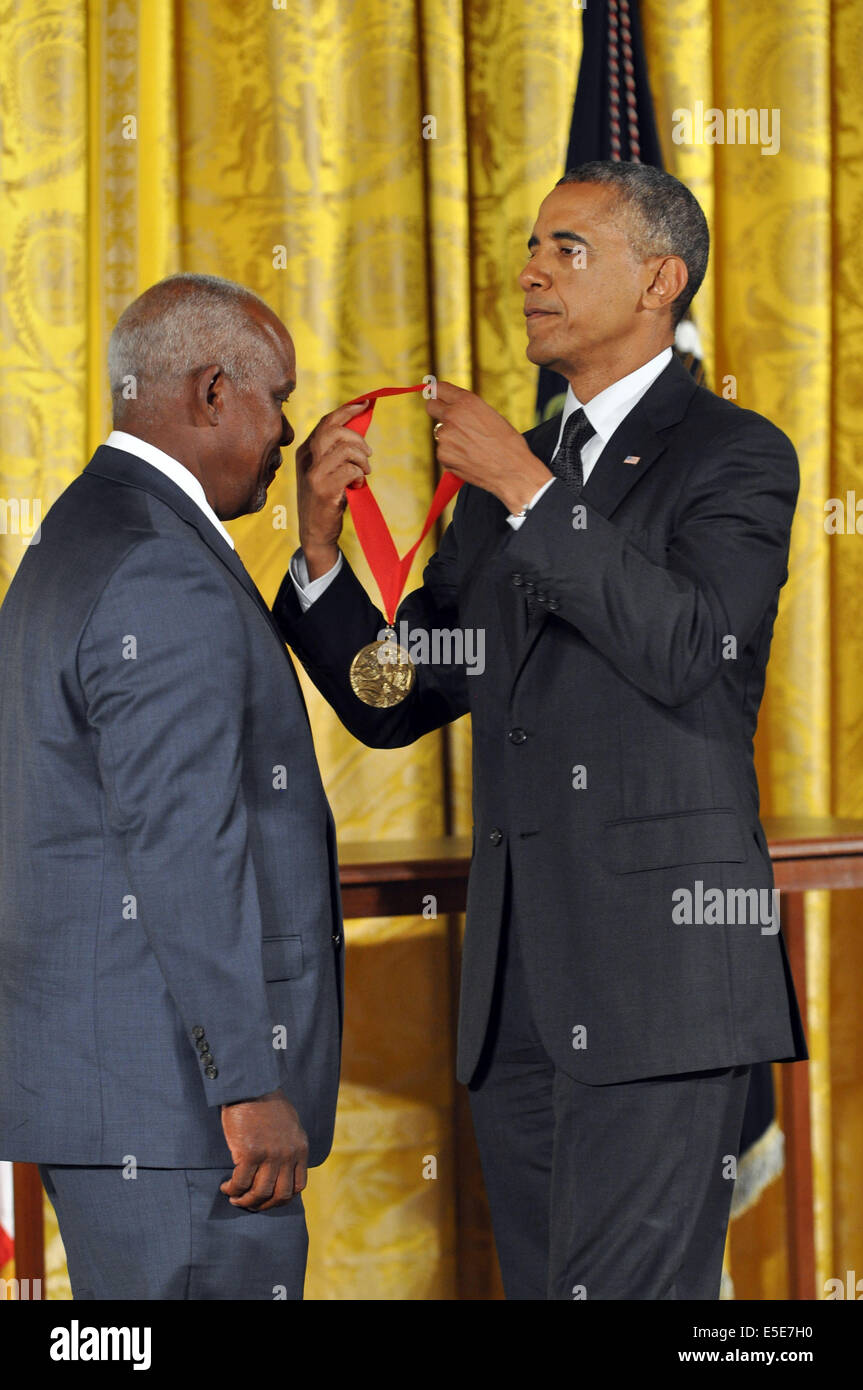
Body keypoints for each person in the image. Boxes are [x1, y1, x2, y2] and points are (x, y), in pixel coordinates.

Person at [274, 162, 808, 1300]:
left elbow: (689, 647)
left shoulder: (730, 452)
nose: (527, 271)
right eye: (529, 245)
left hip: (658, 990)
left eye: (566, 248)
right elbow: (401, 694)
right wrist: (321, 557)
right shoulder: (512, 469)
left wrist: (526, 489)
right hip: (518, 1002)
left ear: (659, 280)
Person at [0, 273, 349, 1300]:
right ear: (210, 393)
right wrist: (246, 1081)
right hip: (187, 1114)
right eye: (276, 397)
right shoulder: (163, 564)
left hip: (113, 1093)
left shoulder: (77, 531)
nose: (288, 430)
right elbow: (183, 845)